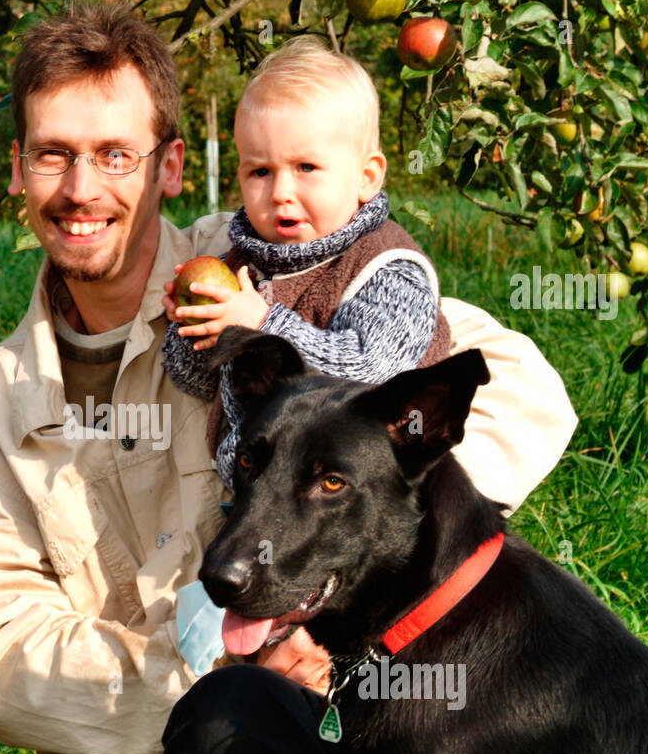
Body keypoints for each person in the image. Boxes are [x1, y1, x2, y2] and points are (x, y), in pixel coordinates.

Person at [0, 0, 578, 754]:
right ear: (18, 170)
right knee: (221, 713)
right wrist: (204, 671)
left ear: (168, 167)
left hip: (324, 741)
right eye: (54, 154)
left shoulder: (273, 273)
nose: (83, 190)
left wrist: (348, 566)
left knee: (237, 729)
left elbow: (522, 389)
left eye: (114, 156)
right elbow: (0, 651)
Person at [161, 37, 447, 492]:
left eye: (306, 167)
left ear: (366, 176)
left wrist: (262, 326)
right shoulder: (240, 267)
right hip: (262, 499)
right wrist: (195, 330)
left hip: (358, 501)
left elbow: (370, 376)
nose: (279, 192)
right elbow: (195, 384)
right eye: (260, 171)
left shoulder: (387, 268)